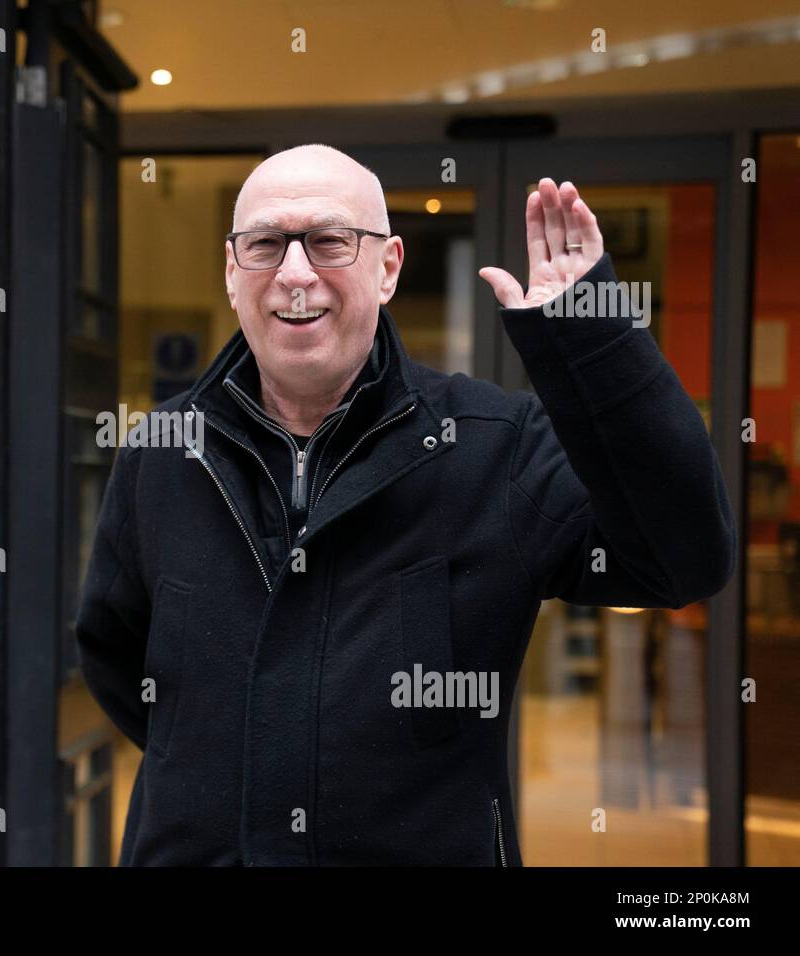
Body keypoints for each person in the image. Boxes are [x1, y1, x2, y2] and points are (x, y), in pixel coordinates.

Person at [75, 144, 735, 866]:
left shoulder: (494, 447)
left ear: (387, 268)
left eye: (329, 241)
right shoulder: (162, 455)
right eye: (265, 245)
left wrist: (591, 335)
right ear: (234, 274)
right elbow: (120, 660)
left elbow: (681, 561)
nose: (296, 275)